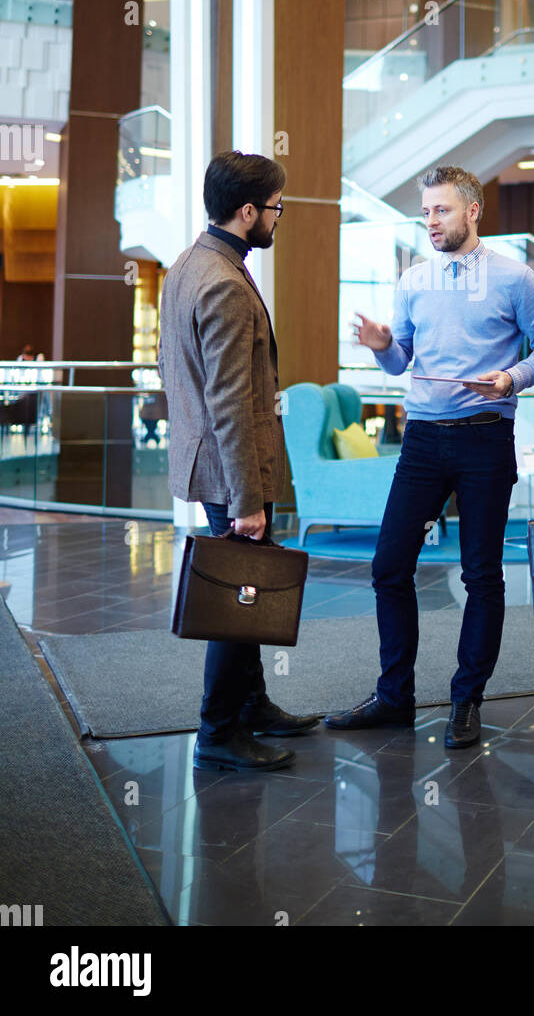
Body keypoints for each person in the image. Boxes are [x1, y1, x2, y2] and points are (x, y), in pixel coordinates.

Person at [324, 165, 534, 748]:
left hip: (485, 438)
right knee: (388, 567)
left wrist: (509, 378)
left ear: (473, 211)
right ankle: (393, 698)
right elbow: (401, 360)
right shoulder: (413, 281)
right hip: (424, 439)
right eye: (425, 211)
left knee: (481, 575)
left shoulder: (514, 278)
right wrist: (382, 347)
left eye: (442, 210)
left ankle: (466, 700)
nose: (430, 220)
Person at [158, 150, 319, 771]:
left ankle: (251, 705)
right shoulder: (223, 282)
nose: (279, 219)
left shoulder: (189, 265)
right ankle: (219, 733)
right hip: (232, 467)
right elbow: (227, 396)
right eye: (276, 208)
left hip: (215, 458)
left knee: (245, 587)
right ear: (247, 211)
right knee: (239, 596)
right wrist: (248, 500)